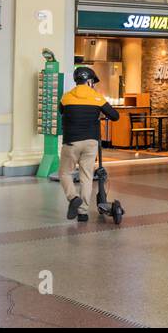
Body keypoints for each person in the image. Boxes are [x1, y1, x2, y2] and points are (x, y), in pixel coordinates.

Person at [59, 66, 120, 222]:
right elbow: (115, 116)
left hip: (71, 142)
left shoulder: (66, 97)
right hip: (91, 142)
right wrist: (97, 111)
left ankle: (73, 198)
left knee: (65, 173)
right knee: (86, 176)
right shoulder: (97, 98)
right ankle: (83, 213)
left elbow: (62, 112)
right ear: (90, 82)